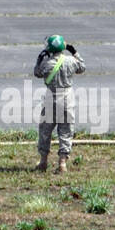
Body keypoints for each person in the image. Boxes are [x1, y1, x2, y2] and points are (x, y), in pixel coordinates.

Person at [34, 34, 86, 174]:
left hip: (51, 97)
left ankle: (43, 161)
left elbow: (37, 73)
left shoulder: (47, 64)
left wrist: (40, 59)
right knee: (66, 131)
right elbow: (82, 67)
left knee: (45, 131)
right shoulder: (70, 61)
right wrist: (74, 51)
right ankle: (62, 163)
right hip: (67, 98)